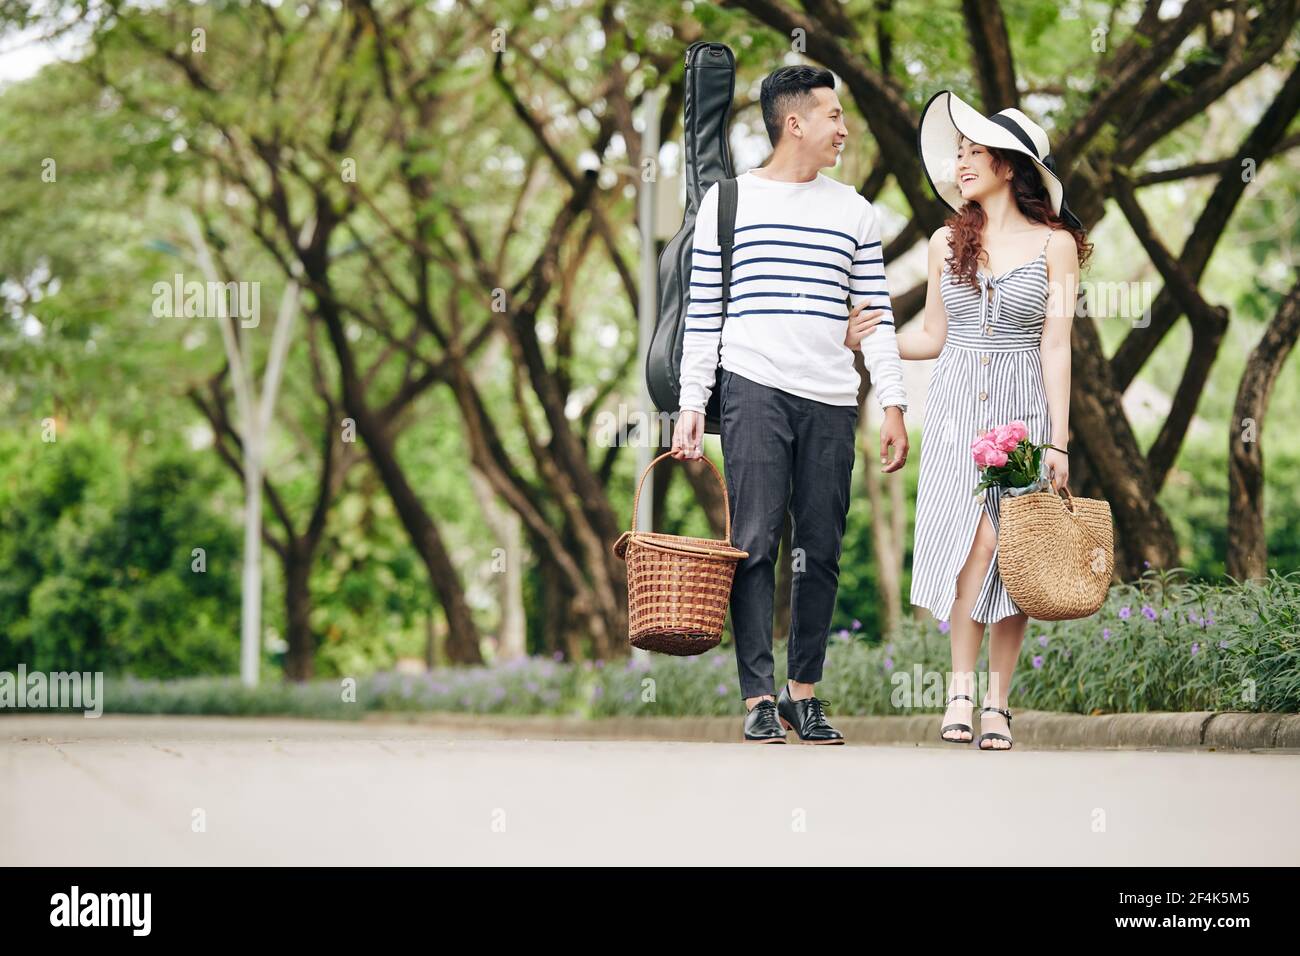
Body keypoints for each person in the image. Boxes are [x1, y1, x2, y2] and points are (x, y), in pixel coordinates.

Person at [670, 65, 908, 744]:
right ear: (793, 122)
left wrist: (892, 402)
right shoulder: (728, 204)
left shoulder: (855, 211)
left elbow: (877, 316)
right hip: (753, 384)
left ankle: (804, 693)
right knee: (752, 544)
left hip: (832, 395)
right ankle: (757, 697)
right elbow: (704, 314)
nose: (844, 128)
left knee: (822, 548)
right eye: (833, 115)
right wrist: (693, 402)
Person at [852, 91, 1090, 750]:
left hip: (1021, 409)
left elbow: (1056, 344)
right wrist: (868, 339)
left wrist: (1058, 442)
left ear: (1009, 166)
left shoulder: (1057, 247)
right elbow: (932, 335)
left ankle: (997, 703)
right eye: (957, 153)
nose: (960, 164)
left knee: (1007, 556)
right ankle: (961, 691)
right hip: (956, 408)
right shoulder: (942, 242)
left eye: (973, 152)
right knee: (963, 547)